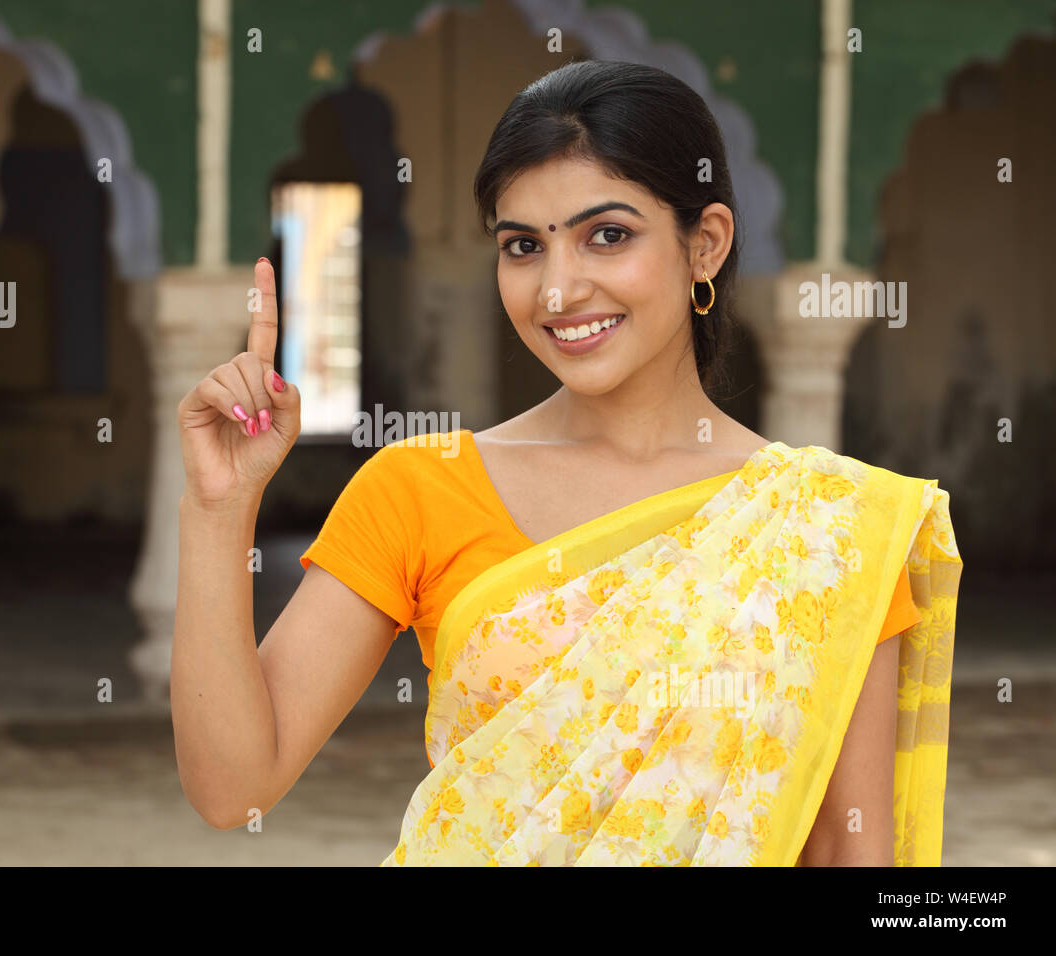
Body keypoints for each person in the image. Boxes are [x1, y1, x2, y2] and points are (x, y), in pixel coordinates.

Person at [171, 60, 961, 866]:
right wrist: (217, 505)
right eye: (522, 246)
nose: (557, 290)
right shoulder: (420, 489)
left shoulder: (829, 530)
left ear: (706, 244)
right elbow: (234, 787)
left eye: (607, 236)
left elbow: (847, 851)